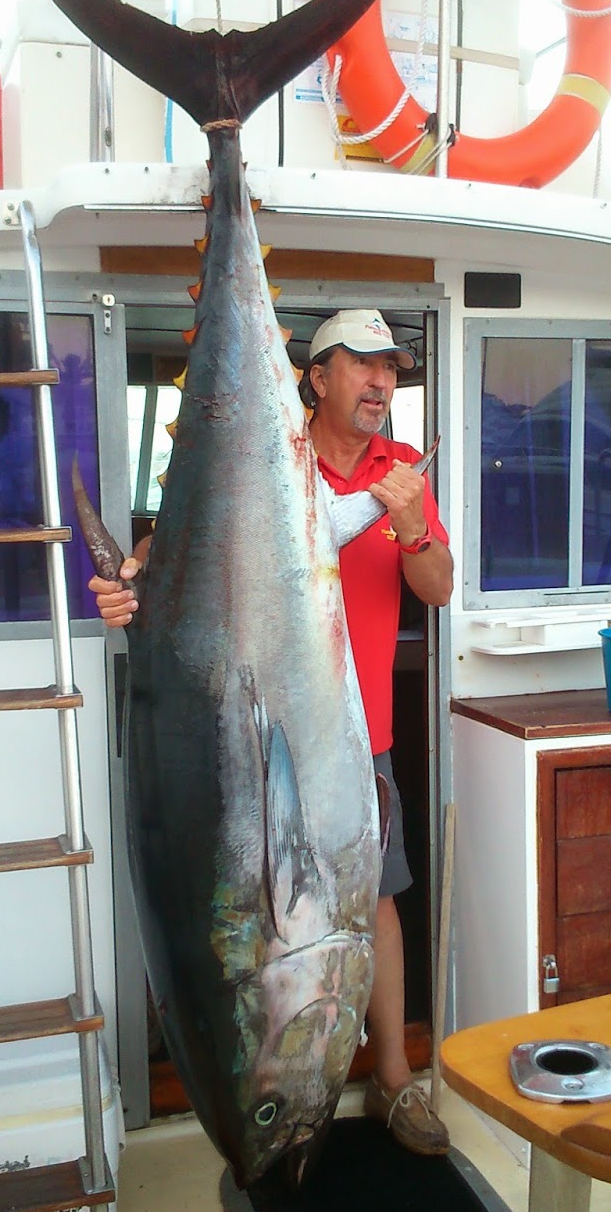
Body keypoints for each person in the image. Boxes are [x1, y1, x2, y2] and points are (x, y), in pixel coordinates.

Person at [90, 309, 455, 1156]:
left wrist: (407, 524)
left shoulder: (400, 470)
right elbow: (169, 549)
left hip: (353, 742)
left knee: (377, 903)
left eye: (391, 370)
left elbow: (434, 588)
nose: (380, 383)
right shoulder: (257, 459)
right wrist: (135, 578)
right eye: (362, 366)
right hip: (243, 746)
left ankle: (395, 1081)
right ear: (315, 377)